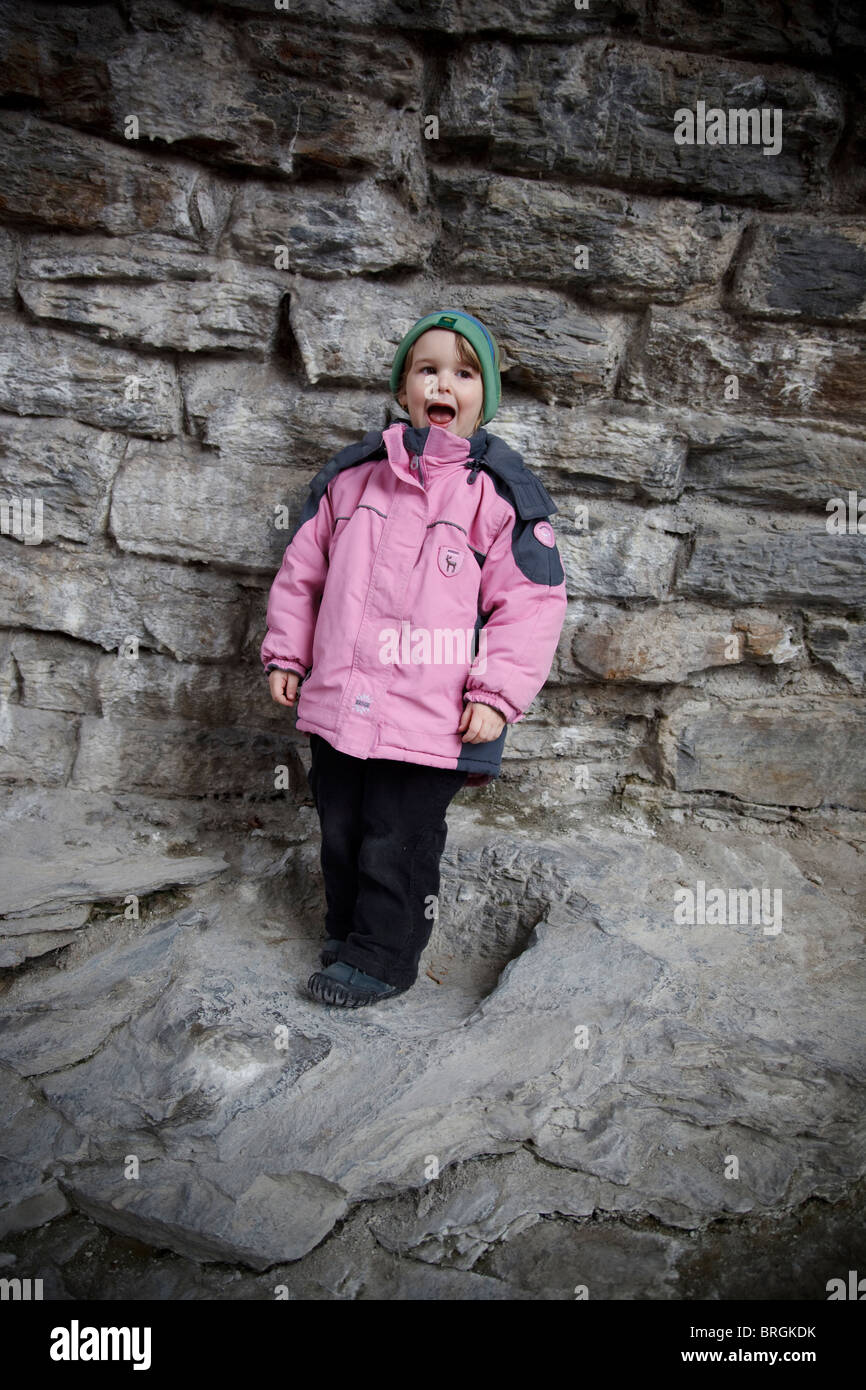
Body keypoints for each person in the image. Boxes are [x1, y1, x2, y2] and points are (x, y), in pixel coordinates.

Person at [261, 309, 567, 1007]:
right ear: (404, 389)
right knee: (340, 829)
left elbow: (533, 603)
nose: (444, 383)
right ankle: (347, 935)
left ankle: (385, 960)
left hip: (430, 719)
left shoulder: (501, 494)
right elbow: (301, 575)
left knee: (397, 842)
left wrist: (494, 696)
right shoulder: (352, 479)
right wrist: (287, 652)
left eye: (464, 373)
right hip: (340, 702)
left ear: (484, 398)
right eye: (428, 368)